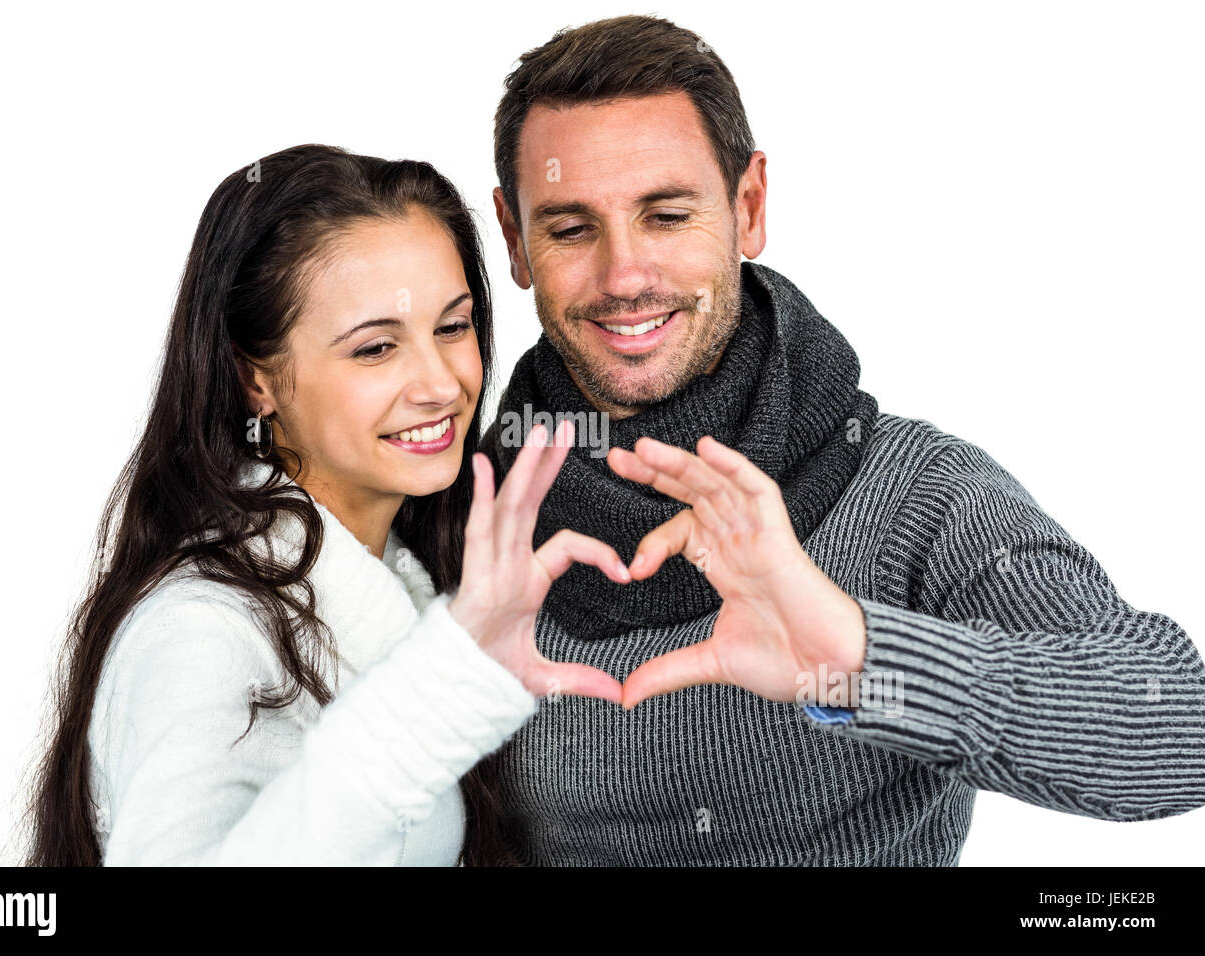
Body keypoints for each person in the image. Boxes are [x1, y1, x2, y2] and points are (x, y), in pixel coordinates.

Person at [472, 14, 1205, 865]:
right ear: (515, 239)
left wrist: (856, 657)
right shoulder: (464, 516)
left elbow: (1178, 729)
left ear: (748, 208)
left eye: (667, 215)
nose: (625, 276)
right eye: (569, 229)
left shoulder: (917, 495)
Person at [23, 144, 630, 866]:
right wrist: (449, 688)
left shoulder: (422, 572)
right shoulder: (201, 632)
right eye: (376, 349)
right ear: (257, 382)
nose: (439, 384)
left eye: (452, 327)